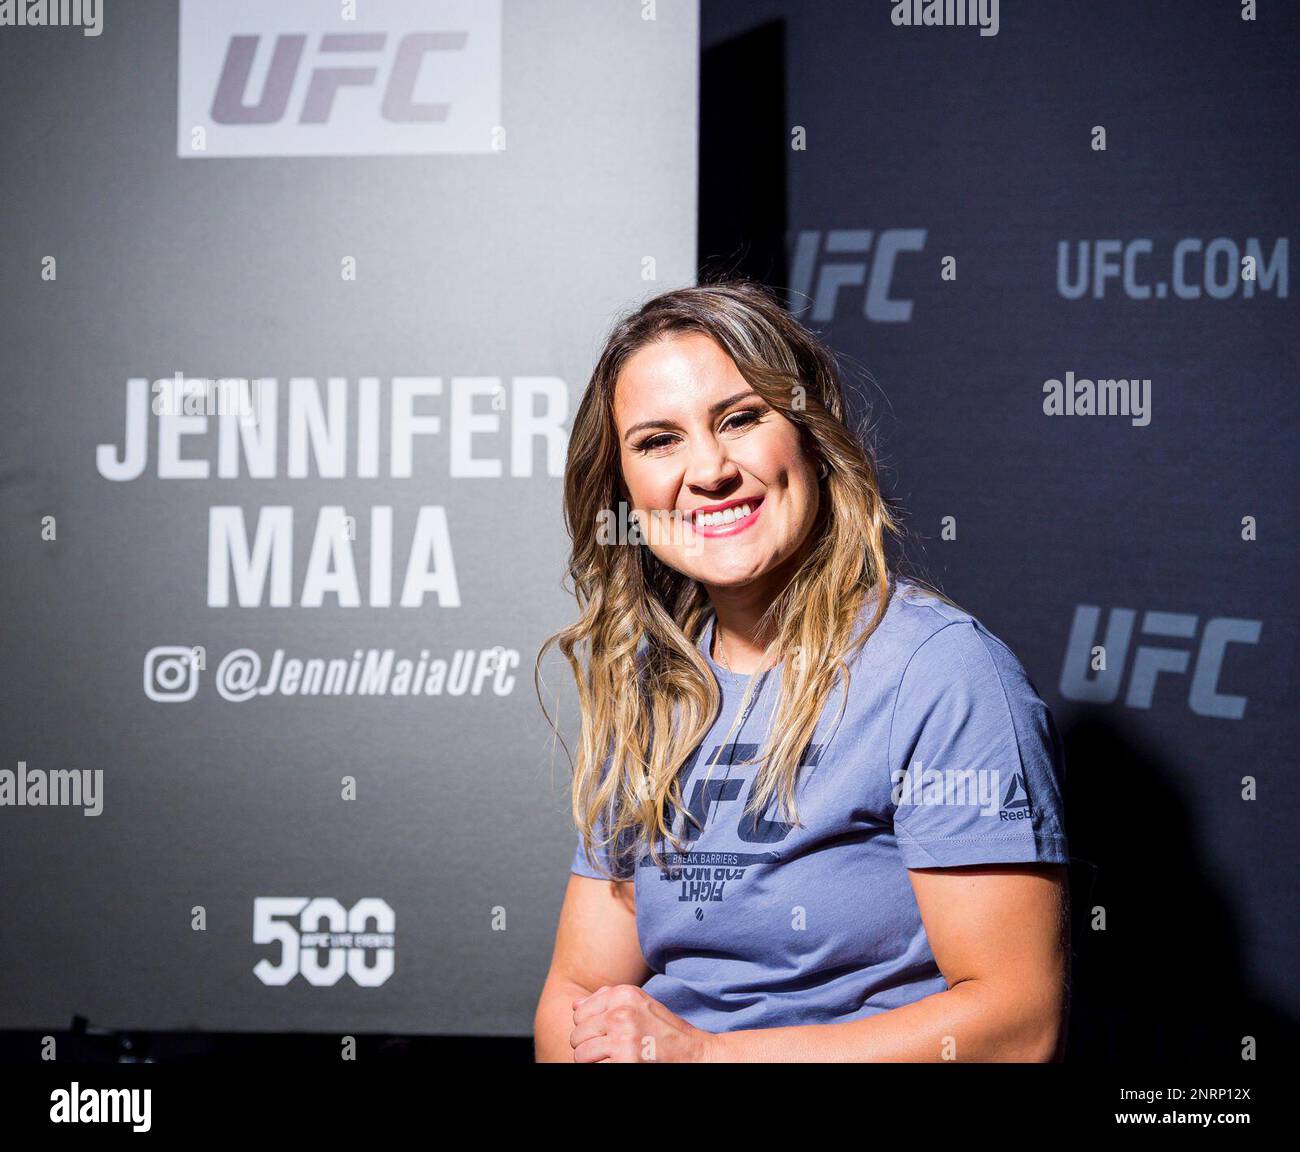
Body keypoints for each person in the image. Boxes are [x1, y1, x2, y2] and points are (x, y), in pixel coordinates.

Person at [533, 279, 1070, 1062]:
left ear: (812, 435)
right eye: (659, 441)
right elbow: (573, 995)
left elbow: (1015, 1027)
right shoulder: (653, 685)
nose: (709, 469)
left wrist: (710, 1058)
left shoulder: (940, 671)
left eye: (741, 419)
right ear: (622, 488)